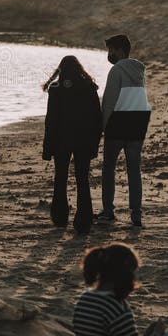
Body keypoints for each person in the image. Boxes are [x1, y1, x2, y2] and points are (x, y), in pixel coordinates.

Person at [42, 55, 102, 233]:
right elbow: (97, 119)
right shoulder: (89, 88)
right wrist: (94, 144)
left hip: (61, 140)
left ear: (60, 70)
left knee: (60, 178)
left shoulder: (56, 89)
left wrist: (47, 148)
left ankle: (60, 219)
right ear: (79, 69)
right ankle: (84, 222)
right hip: (84, 140)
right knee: (82, 179)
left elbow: (51, 121)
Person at [98, 34, 151, 228]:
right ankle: (136, 215)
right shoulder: (140, 71)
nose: (109, 54)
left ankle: (108, 211)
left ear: (119, 50)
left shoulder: (116, 70)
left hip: (118, 124)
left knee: (108, 168)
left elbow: (109, 102)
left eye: (110, 50)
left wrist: (103, 128)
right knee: (134, 170)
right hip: (137, 123)